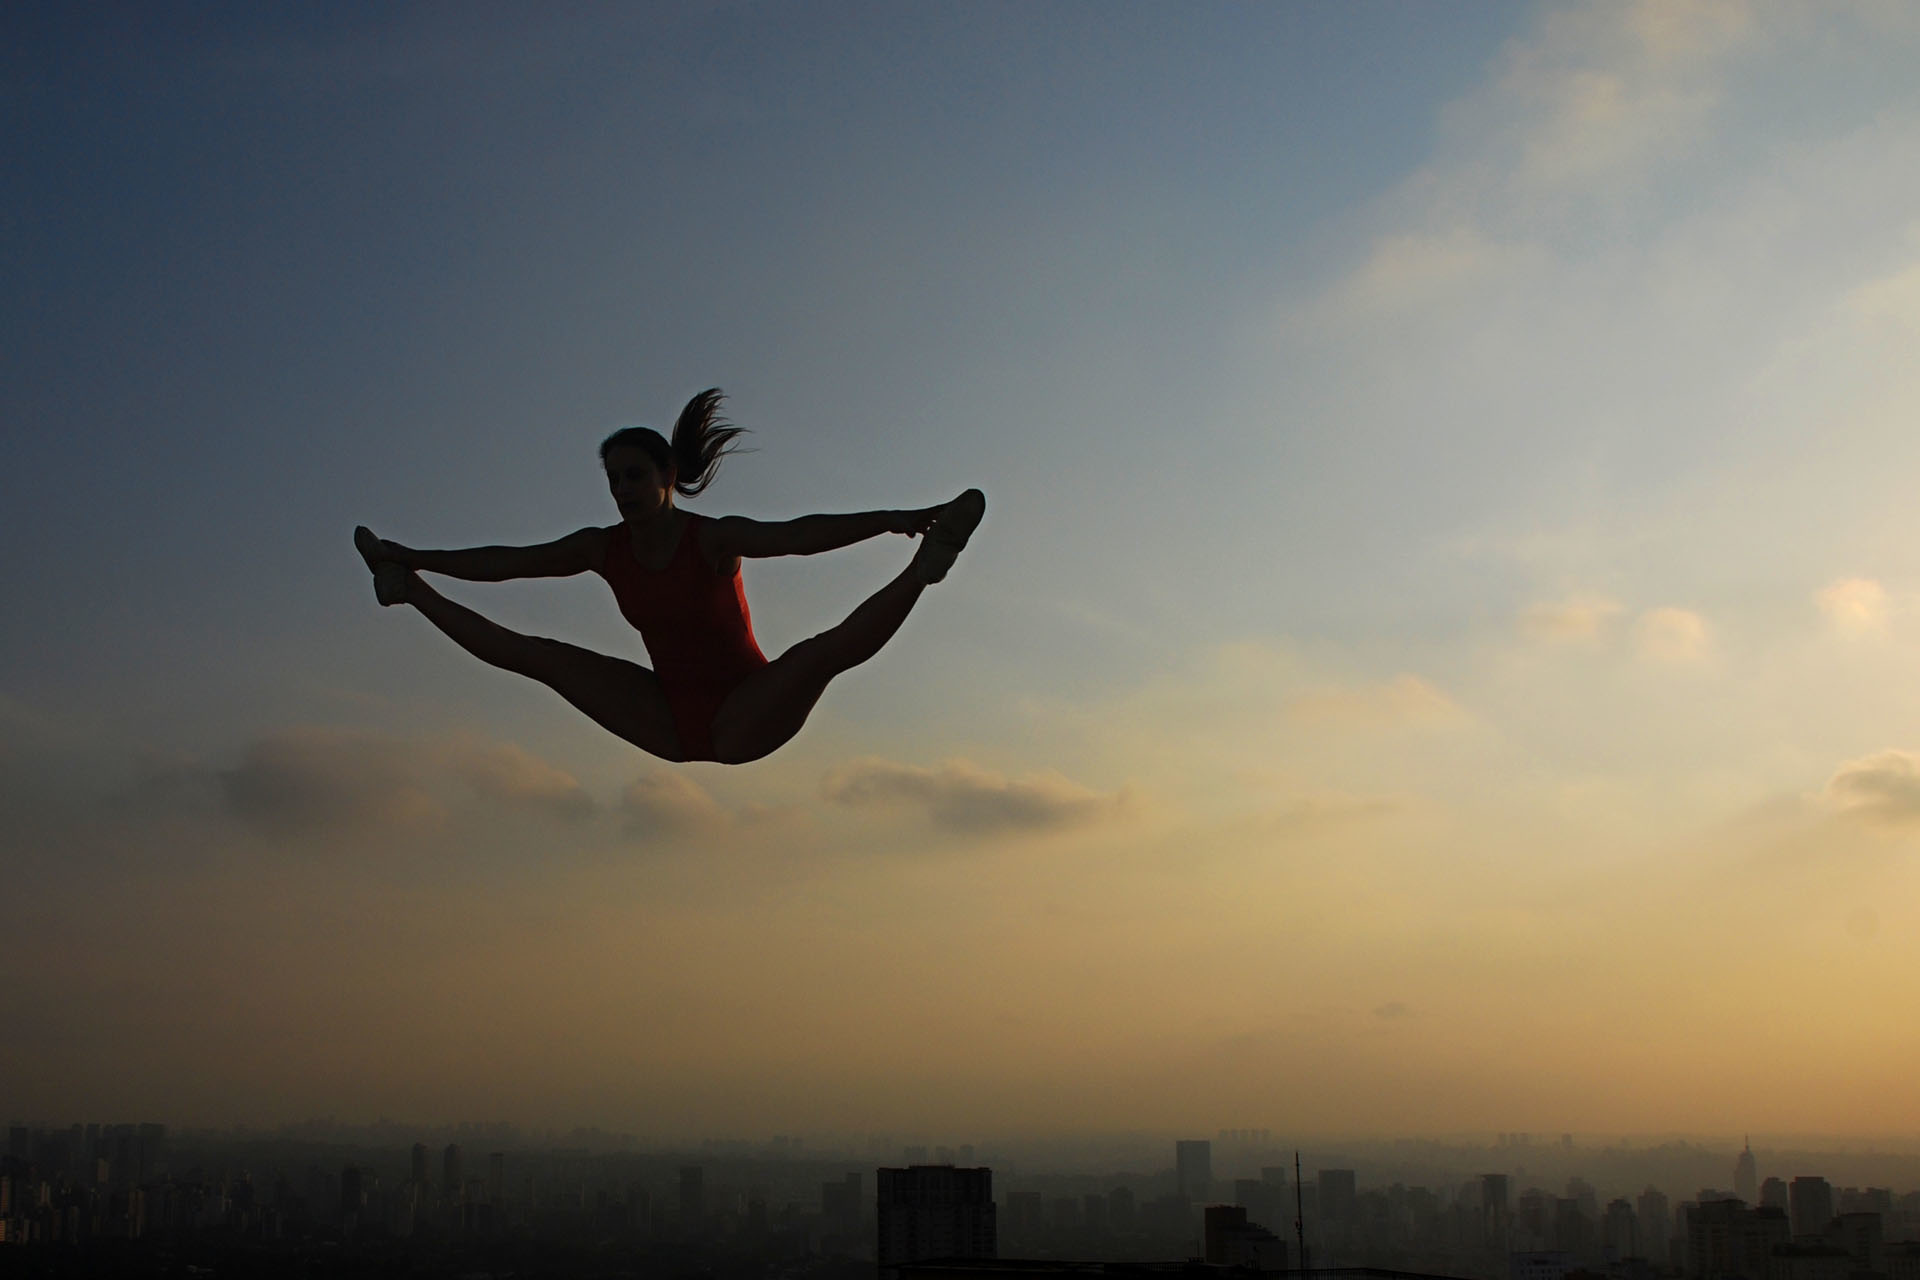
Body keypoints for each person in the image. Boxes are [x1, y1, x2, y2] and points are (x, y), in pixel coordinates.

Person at [353, 389, 984, 765]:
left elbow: (799, 535)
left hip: (747, 711)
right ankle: (406, 589)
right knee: (541, 657)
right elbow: (507, 562)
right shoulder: (603, 548)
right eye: (613, 479)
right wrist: (414, 558)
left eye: (633, 475)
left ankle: (924, 568)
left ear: (666, 477)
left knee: (820, 654)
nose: (621, 489)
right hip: (667, 716)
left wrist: (896, 521)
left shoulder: (712, 539)